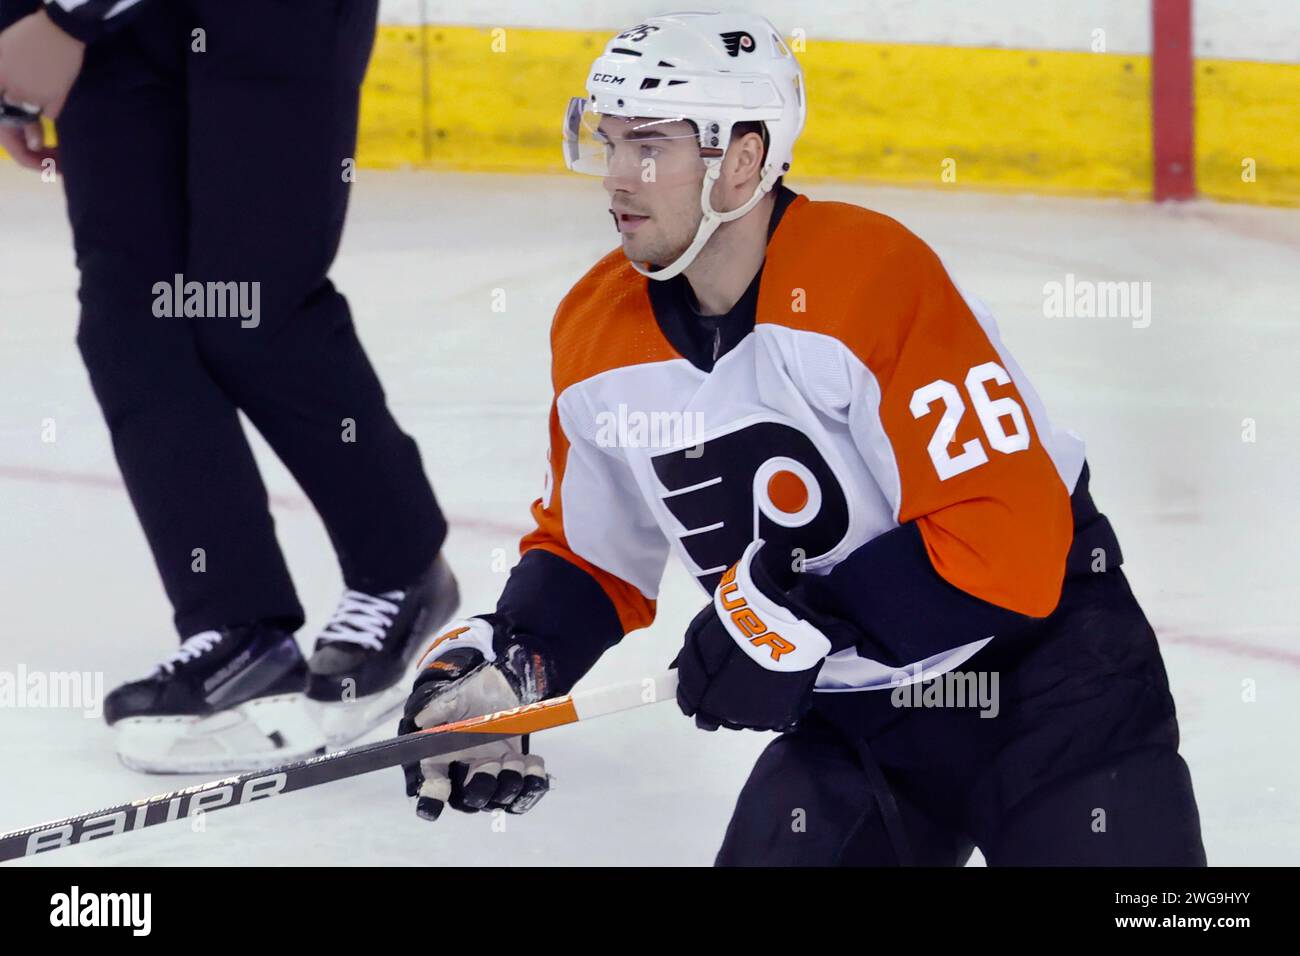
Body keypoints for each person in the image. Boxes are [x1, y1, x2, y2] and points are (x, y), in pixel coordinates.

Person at [0, 0, 457, 772]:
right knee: (132, 324)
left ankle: (400, 568)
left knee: (251, 309)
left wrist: (60, 19)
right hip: (117, 34)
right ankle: (238, 627)